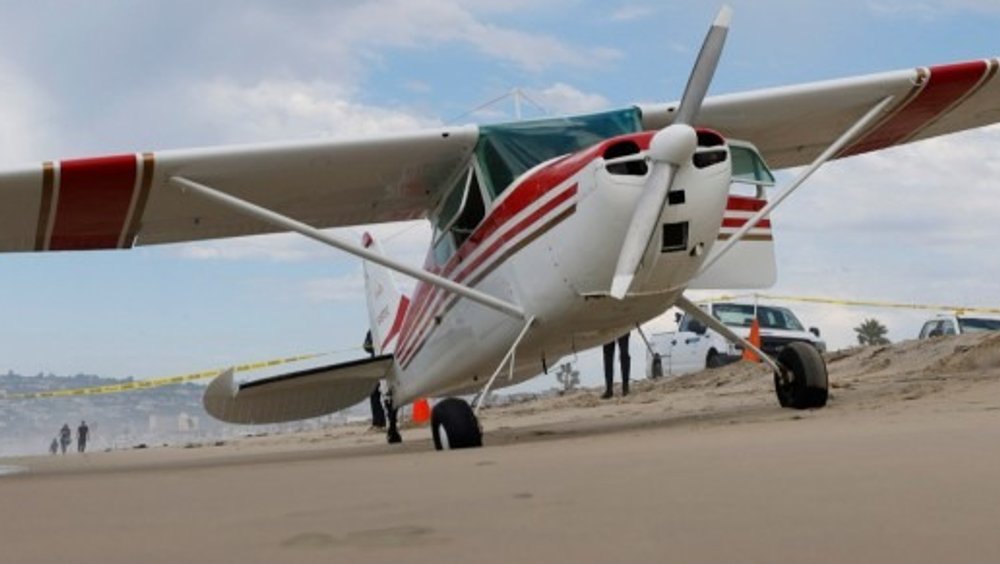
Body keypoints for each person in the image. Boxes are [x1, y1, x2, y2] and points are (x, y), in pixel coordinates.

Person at [364, 330, 386, 429]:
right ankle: (378, 422)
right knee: (374, 394)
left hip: (387, 364)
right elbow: (366, 346)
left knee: (390, 395)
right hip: (376, 365)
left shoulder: (384, 326)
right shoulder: (372, 330)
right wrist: (374, 347)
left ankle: (390, 420)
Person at [601, 332, 631, 399]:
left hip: (622, 325)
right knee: (608, 357)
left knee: (624, 355)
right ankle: (609, 389)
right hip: (607, 328)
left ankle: (625, 387)